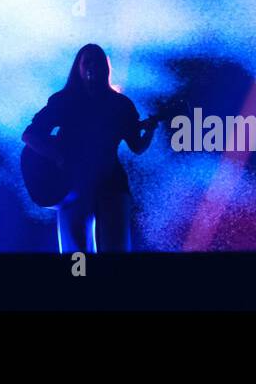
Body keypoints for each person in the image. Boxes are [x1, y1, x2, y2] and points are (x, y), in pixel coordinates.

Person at [22, 44, 156, 253]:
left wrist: (150, 131)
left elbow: (137, 146)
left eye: (97, 62)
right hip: (72, 184)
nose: (93, 66)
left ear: (105, 68)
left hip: (109, 184)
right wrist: (58, 157)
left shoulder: (121, 104)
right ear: (78, 68)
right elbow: (30, 135)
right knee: (76, 253)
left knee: (112, 249)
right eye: (87, 62)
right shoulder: (64, 100)